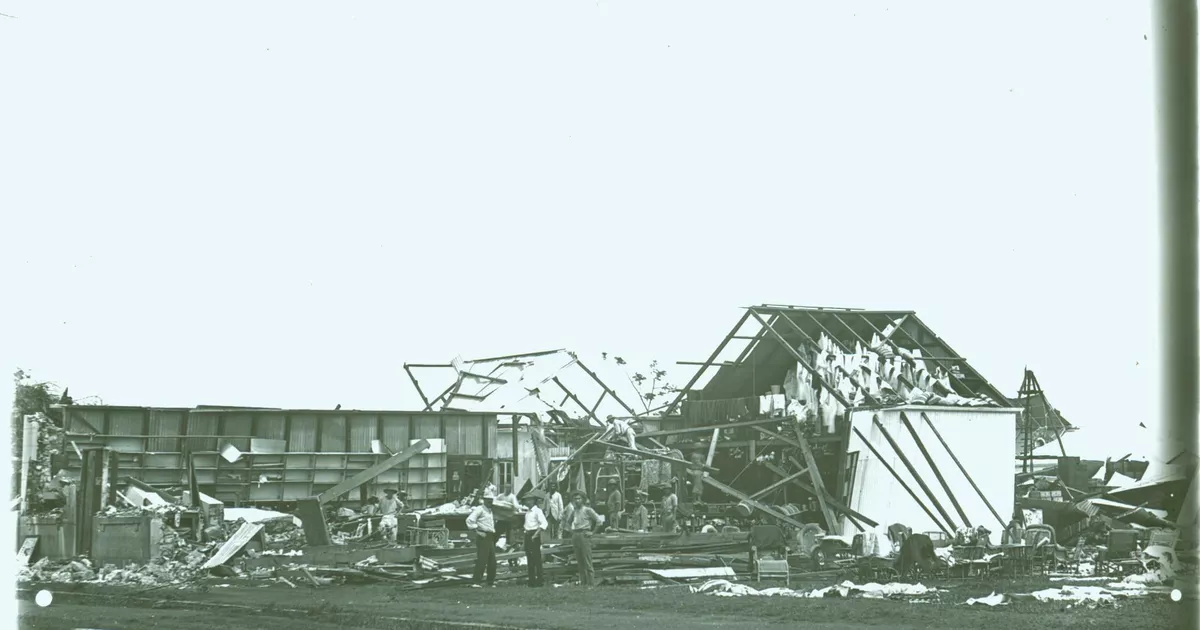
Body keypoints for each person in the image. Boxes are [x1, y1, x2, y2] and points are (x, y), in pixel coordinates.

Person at [561, 490, 601, 586]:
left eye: (579, 498)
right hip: (576, 535)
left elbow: (599, 521)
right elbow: (568, 522)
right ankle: (583, 583)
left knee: (587, 560)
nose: (577, 501)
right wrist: (571, 531)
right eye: (575, 499)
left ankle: (591, 584)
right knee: (580, 561)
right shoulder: (574, 511)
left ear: (583, 499)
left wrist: (592, 533)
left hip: (584, 534)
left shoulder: (588, 510)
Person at [465, 489, 498, 588]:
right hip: (483, 536)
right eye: (488, 500)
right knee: (482, 559)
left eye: (491, 500)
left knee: (492, 560)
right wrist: (478, 531)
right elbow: (469, 520)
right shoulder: (480, 509)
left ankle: (490, 581)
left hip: (490, 536)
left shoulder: (490, 510)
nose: (490, 502)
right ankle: (476, 581)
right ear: (484, 500)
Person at [521, 493, 549, 587]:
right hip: (528, 534)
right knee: (529, 558)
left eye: (529, 500)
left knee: (536, 558)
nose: (527, 502)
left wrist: (535, 535)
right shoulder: (528, 512)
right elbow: (526, 526)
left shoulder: (537, 511)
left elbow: (544, 524)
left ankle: (540, 580)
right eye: (525, 500)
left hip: (534, 535)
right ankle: (531, 580)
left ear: (533, 500)